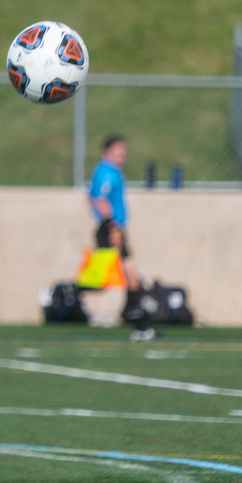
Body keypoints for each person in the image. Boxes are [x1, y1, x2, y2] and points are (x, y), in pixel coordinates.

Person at [88, 134, 154, 342]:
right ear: (106, 152)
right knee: (112, 278)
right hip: (111, 229)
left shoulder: (112, 172)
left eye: (123, 152)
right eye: (118, 152)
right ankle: (137, 323)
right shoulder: (106, 171)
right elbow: (99, 199)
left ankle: (137, 322)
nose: (122, 156)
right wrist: (112, 227)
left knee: (129, 276)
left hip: (115, 228)